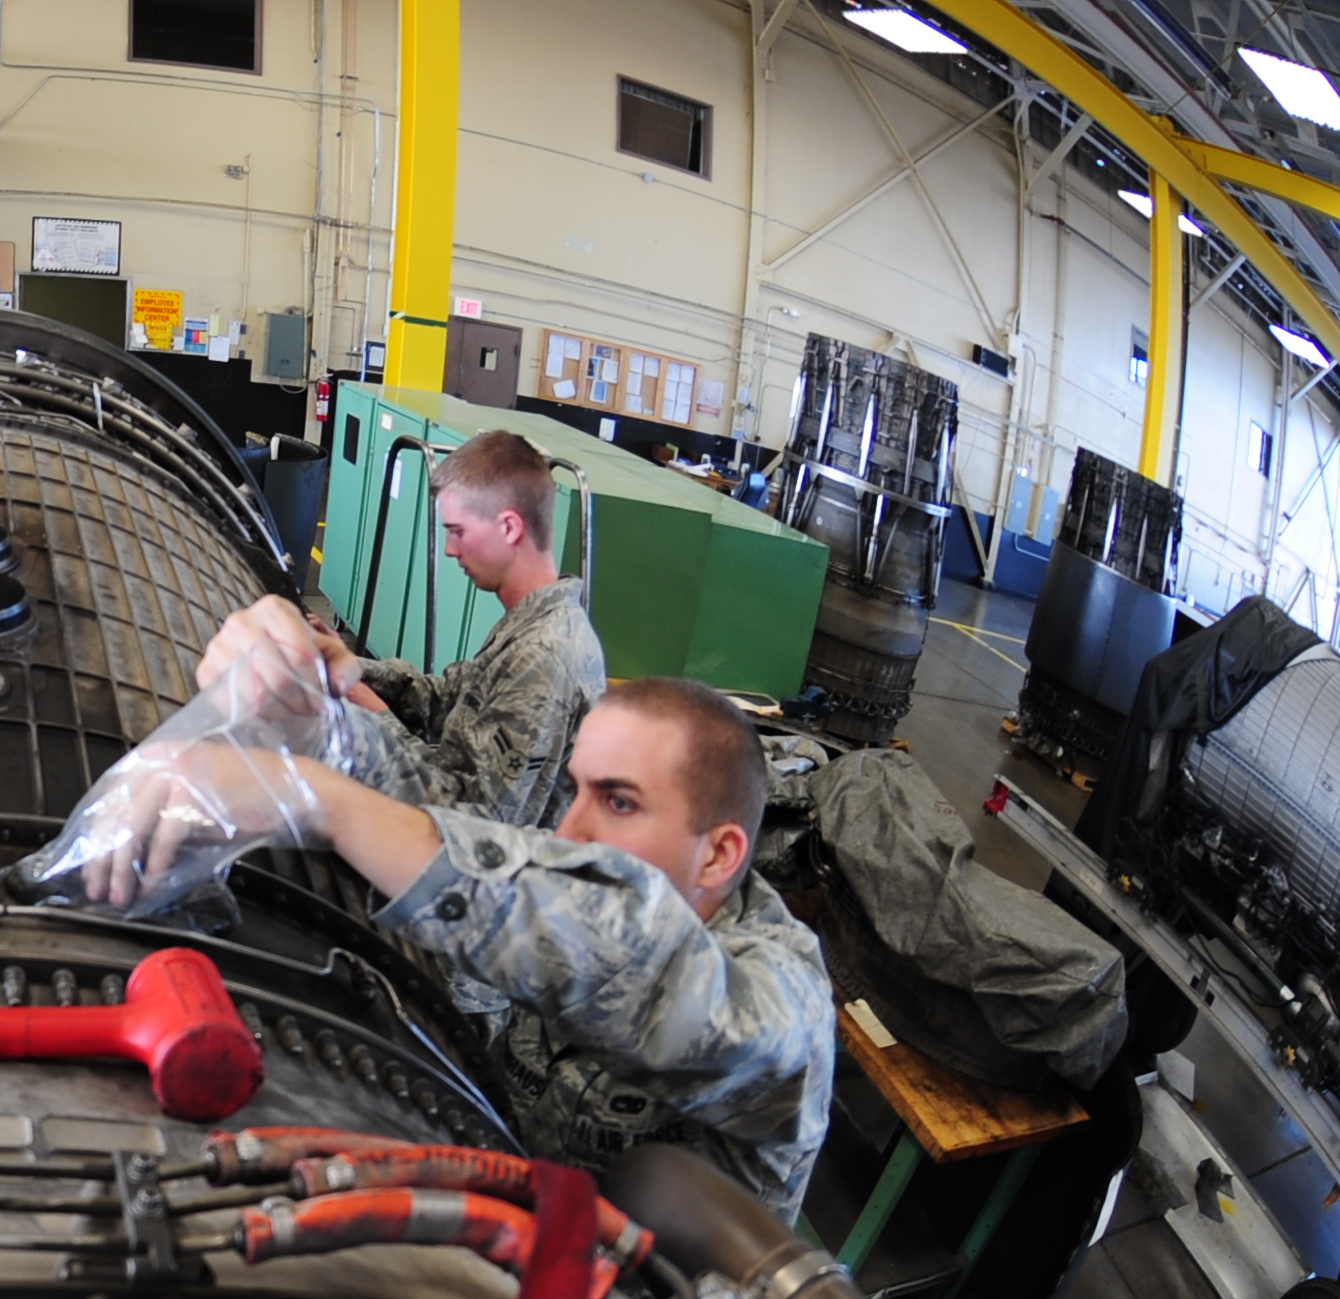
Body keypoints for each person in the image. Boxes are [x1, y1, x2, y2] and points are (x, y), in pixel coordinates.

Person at [71, 673, 832, 1222]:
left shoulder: (779, 993)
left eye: (619, 801)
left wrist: (323, 803)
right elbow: (448, 818)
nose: (571, 833)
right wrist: (310, 718)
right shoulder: (578, 869)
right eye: (575, 790)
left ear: (719, 855)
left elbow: (638, 961)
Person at [198, 429, 603, 833]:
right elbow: (446, 700)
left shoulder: (544, 656)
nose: (449, 549)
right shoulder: (531, 623)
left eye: (457, 530)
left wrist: (357, 707)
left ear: (510, 528)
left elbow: (471, 823)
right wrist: (346, 664)